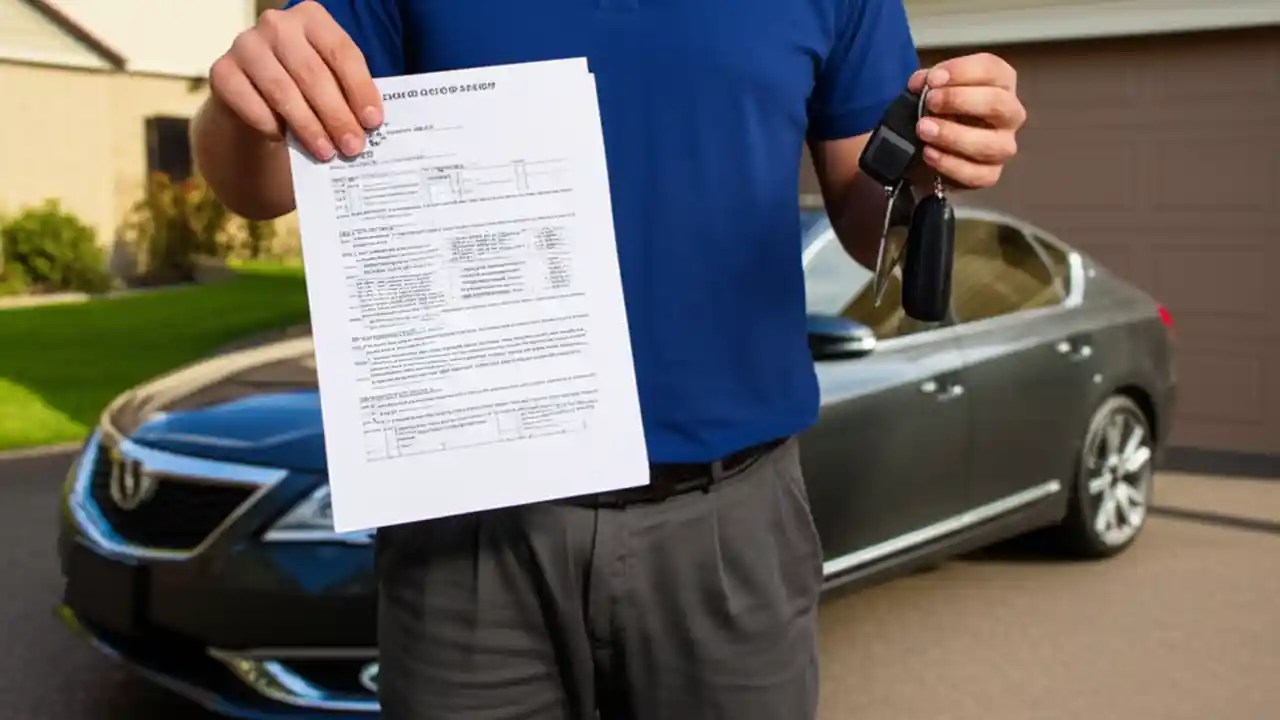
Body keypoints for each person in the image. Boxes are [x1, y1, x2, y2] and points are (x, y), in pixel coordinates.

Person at [193, 1, 1026, 717]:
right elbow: (254, 184)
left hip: (729, 520)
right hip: (470, 527)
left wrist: (937, 155)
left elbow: (868, 212)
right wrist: (241, 105)